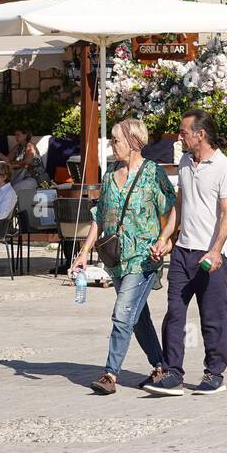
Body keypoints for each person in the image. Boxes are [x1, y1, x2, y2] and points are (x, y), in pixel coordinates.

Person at [71, 119, 177, 395]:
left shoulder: (153, 174)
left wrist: (165, 240)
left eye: (115, 140)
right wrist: (83, 253)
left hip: (143, 258)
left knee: (122, 314)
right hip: (116, 258)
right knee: (137, 316)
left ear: (132, 143)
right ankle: (160, 366)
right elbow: (99, 216)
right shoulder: (109, 175)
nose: (111, 145)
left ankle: (110, 374)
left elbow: (173, 210)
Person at [148, 109, 227, 396]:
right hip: (183, 253)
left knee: (212, 318)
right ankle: (173, 371)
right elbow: (180, 204)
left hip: (211, 257)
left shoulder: (224, 167)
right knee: (174, 313)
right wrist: (166, 238)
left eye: (184, 132)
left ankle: (214, 373)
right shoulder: (185, 161)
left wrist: (215, 251)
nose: (180, 136)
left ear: (200, 135)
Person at [6, 128, 46, 193]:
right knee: (5, 187)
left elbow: (27, 162)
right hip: (21, 177)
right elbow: (7, 160)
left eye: (18, 135)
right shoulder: (18, 147)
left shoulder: (30, 146)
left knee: (15, 188)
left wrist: (13, 164)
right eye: (15, 135)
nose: (15, 137)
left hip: (35, 178)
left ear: (25, 136)